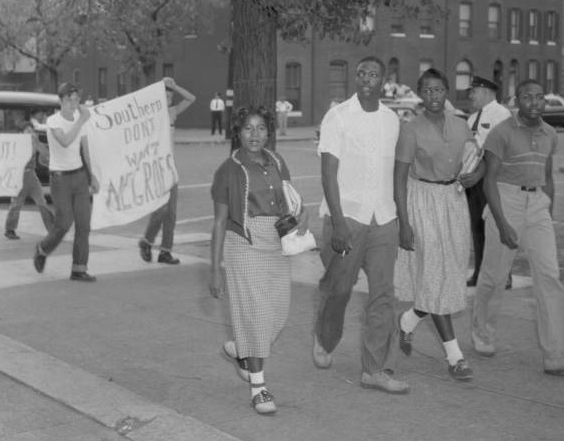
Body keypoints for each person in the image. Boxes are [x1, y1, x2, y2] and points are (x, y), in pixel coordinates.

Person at [470, 79, 564, 377]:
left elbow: (548, 175)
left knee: (550, 276)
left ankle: (558, 356)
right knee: (494, 276)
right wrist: (501, 223)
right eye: (528, 97)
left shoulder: (550, 133)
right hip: (506, 199)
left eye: (540, 98)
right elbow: (489, 180)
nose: (535, 103)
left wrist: (547, 212)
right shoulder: (502, 133)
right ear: (517, 100)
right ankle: (482, 333)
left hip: (537, 203)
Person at [313, 56, 409, 394]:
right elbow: (328, 173)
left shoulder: (392, 121)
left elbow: (397, 174)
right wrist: (338, 222)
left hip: (383, 219)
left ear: (384, 80)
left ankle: (375, 370)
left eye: (373, 74)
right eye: (361, 73)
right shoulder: (337, 117)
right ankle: (326, 338)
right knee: (338, 289)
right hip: (347, 217)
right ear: (355, 79)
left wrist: (402, 219)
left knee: (383, 295)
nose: (366, 78)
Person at [209, 105, 309, 415]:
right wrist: (214, 270)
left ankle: (242, 349)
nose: (255, 134)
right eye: (248, 128)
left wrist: (301, 216)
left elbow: (290, 201)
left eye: (261, 128)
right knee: (255, 313)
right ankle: (258, 386)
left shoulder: (278, 161)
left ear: (269, 131)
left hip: (276, 241)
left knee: (277, 311)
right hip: (244, 243)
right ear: (237, 132)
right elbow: (220, 222)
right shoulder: (228, 169)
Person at [394, 68, 476, 381]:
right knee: (435, 273)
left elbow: (474, 164)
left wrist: (473, 176)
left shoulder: (461, 125)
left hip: (453, 201)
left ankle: (408, 321)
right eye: (427, 90)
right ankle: (455, 357)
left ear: (447, 92)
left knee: (450, 273)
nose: (433, 96)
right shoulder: (411, 129)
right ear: (419, 93)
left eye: (438, 90)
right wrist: (404, 222)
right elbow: (399, 177)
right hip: (422, 201)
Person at [32, 83, 99, 281]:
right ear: (61, 100)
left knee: (84, 225)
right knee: (64, 223)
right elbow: (65, 141)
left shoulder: (81, 120)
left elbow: (84, 149)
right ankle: (43, 249)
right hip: (59, 179)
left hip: (79, 177)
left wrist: (92, 175)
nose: (73, 103)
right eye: (69, 99)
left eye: (76, 99)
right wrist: (81, 121)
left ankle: (79, 268)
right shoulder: (53, 121)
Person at [138, 76, 196, 264]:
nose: (168, 98)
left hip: (171, 167)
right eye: (165, 96)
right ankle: (146, 240)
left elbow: (191, 98)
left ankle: (165, 251)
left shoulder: (172, 112)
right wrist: (159, 86)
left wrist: (174, 86)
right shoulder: (149, 116)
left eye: (170, 96)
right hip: (156, 168)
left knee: (171, 213)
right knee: (161, 209)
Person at [464, 76, 511, 288]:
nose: (470, 96)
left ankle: (504, 275)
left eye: (473, 91)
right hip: (473, 179)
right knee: (477, 226)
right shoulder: (472, 117)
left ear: (484, 91)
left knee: (494, 226)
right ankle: (481, 271)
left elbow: (500, 148)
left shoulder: (501, 115)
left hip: (492, 179)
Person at [4, 121, 54, 239]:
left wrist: (36, 142)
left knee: (42, 202)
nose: (30, 133)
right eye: (27, 131)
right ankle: (10, 229)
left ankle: (52, 229)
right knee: (17, 203)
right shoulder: (16, 144)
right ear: (21, 133)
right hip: (19, 177)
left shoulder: (35, 142)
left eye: (32, 130)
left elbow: (46, 153)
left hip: (31, 176)